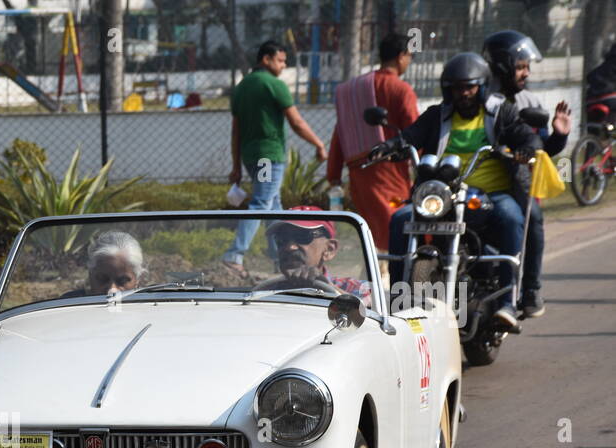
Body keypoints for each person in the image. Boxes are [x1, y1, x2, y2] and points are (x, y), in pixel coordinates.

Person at [378, 52, 541, 333]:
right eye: (457, 87)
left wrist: (527, 147)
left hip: (491, 194)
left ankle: (507, 302)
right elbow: (410, 136)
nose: (463, 93)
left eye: (470, 86)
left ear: (482, 86)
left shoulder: (501, 112)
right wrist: (390, 146)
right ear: (448, 89)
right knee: (400, 219)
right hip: (442, 194)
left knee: (512, 217)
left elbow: (525, 134)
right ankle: (397, 297)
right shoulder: (436, 116)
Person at [484, 29, 571, 318]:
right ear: (501, 66)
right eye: (520, 67)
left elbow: (542, 149)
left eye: (526, 67)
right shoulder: (481, 101)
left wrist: (559, 136)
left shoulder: (530, 103)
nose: (526, 73)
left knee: (533, 218)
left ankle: (531, 289)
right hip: (480, 181)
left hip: (520, 184)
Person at [223, 40, 329, 277]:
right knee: (261, 204)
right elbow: (297, 122)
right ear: (266, 59)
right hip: (267, 157)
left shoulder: (241, 87)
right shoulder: (273, 85)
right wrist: (319, 144)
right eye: (280, 60)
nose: (284, 65)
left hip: (251, 157)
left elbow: (235, 131)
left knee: (274, 208)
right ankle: (234, 255)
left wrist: (235, 166)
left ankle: (279, 258)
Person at [327, 32, 419, 266]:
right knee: (396, 226)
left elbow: (340, 132)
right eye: (409, 56)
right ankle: (391, 283)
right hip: (388, 172)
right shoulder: (400, 89)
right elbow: (416, 131)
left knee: (369, 229)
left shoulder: (353, 89)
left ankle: (374, 279)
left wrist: (333, 175)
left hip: (358, 172)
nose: (409, 62)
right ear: (401, 56)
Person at [253, 207, 372, 304]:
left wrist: (328, 289)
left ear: (329, 249)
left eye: (302, 236)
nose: (289, 247)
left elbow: (367, 316)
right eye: (281, 240)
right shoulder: (265, 292)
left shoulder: (354, 288)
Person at [62, 231, 144, 298]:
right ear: (90, 277)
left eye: (122, 281)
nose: (112, 290)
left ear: (137, 280)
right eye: (102, 279)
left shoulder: (150, 309)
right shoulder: (66, 306)